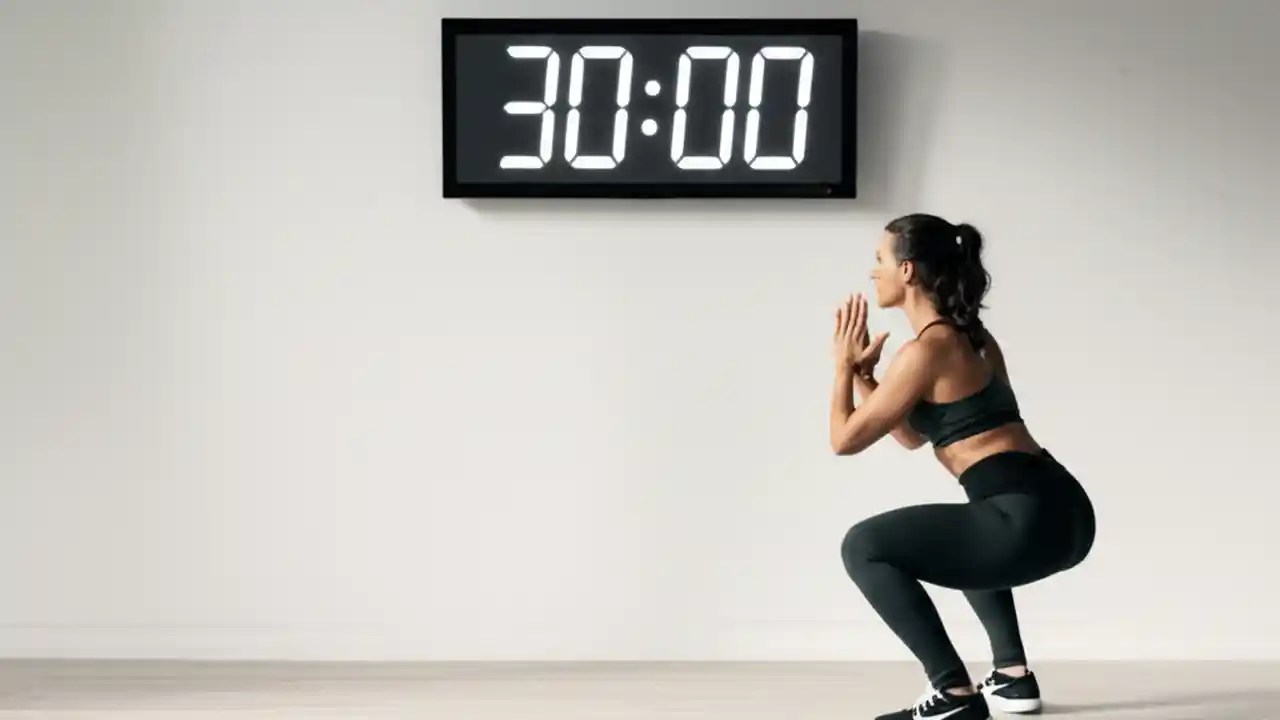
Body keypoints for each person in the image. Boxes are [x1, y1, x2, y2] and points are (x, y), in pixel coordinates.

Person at [828, 213, 1095, 720]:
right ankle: (1012, 677)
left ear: (907, 270)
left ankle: (951, 692)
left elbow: (843, 440)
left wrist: (841, 368)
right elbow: (912, 436)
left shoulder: (925, 350)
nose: (873, 271)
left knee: (862, 545)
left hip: (1024, 520)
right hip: (1064, 510)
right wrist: (866, 376)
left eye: (880, 259)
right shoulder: (974, 338)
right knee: (964, 530)